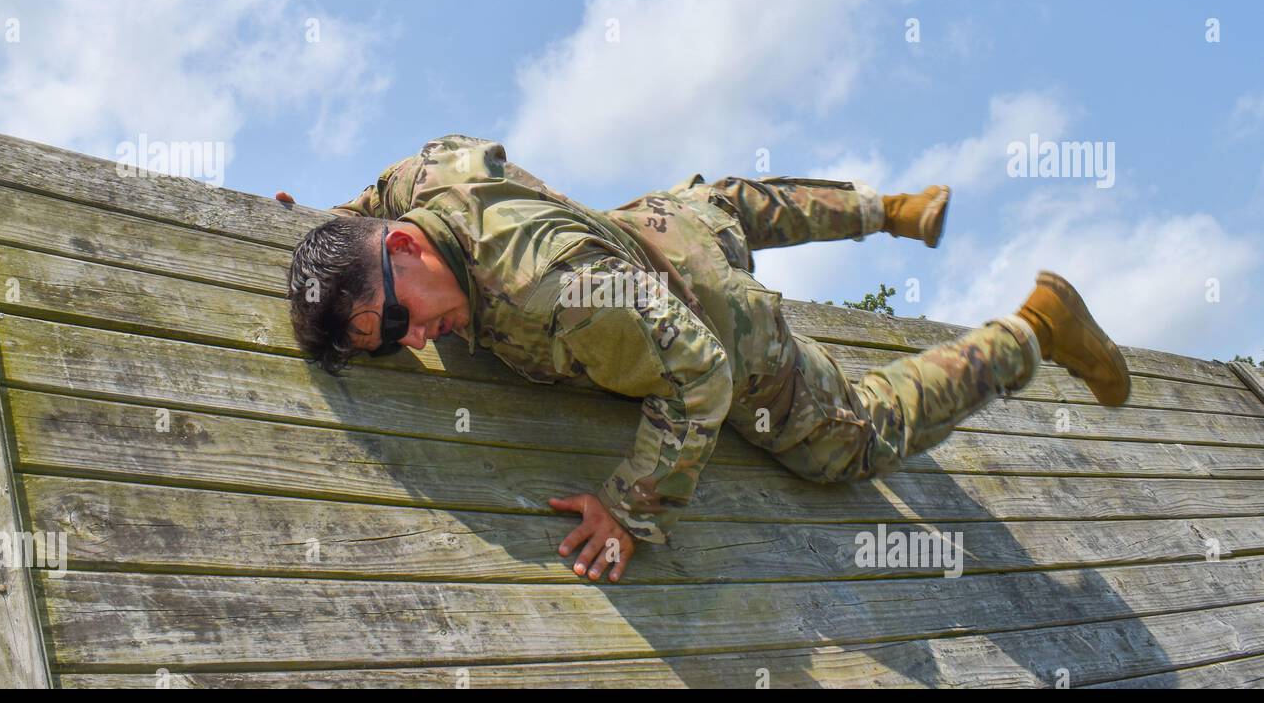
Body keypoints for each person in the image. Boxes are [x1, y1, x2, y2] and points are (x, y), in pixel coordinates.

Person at [284, 135, 1130, 582]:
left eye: (398, 318)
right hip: (659, 225)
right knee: (733, 204)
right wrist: (326, 224)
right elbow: (372, 200)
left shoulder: (555, 296)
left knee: (853, 441)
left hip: (717, 324)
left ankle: (1036, 330)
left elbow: (701, 374)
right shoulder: (429, 175)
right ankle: (888, 207)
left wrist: (630, 506)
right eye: (389, 343)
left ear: (403, 249)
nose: (414, 340)